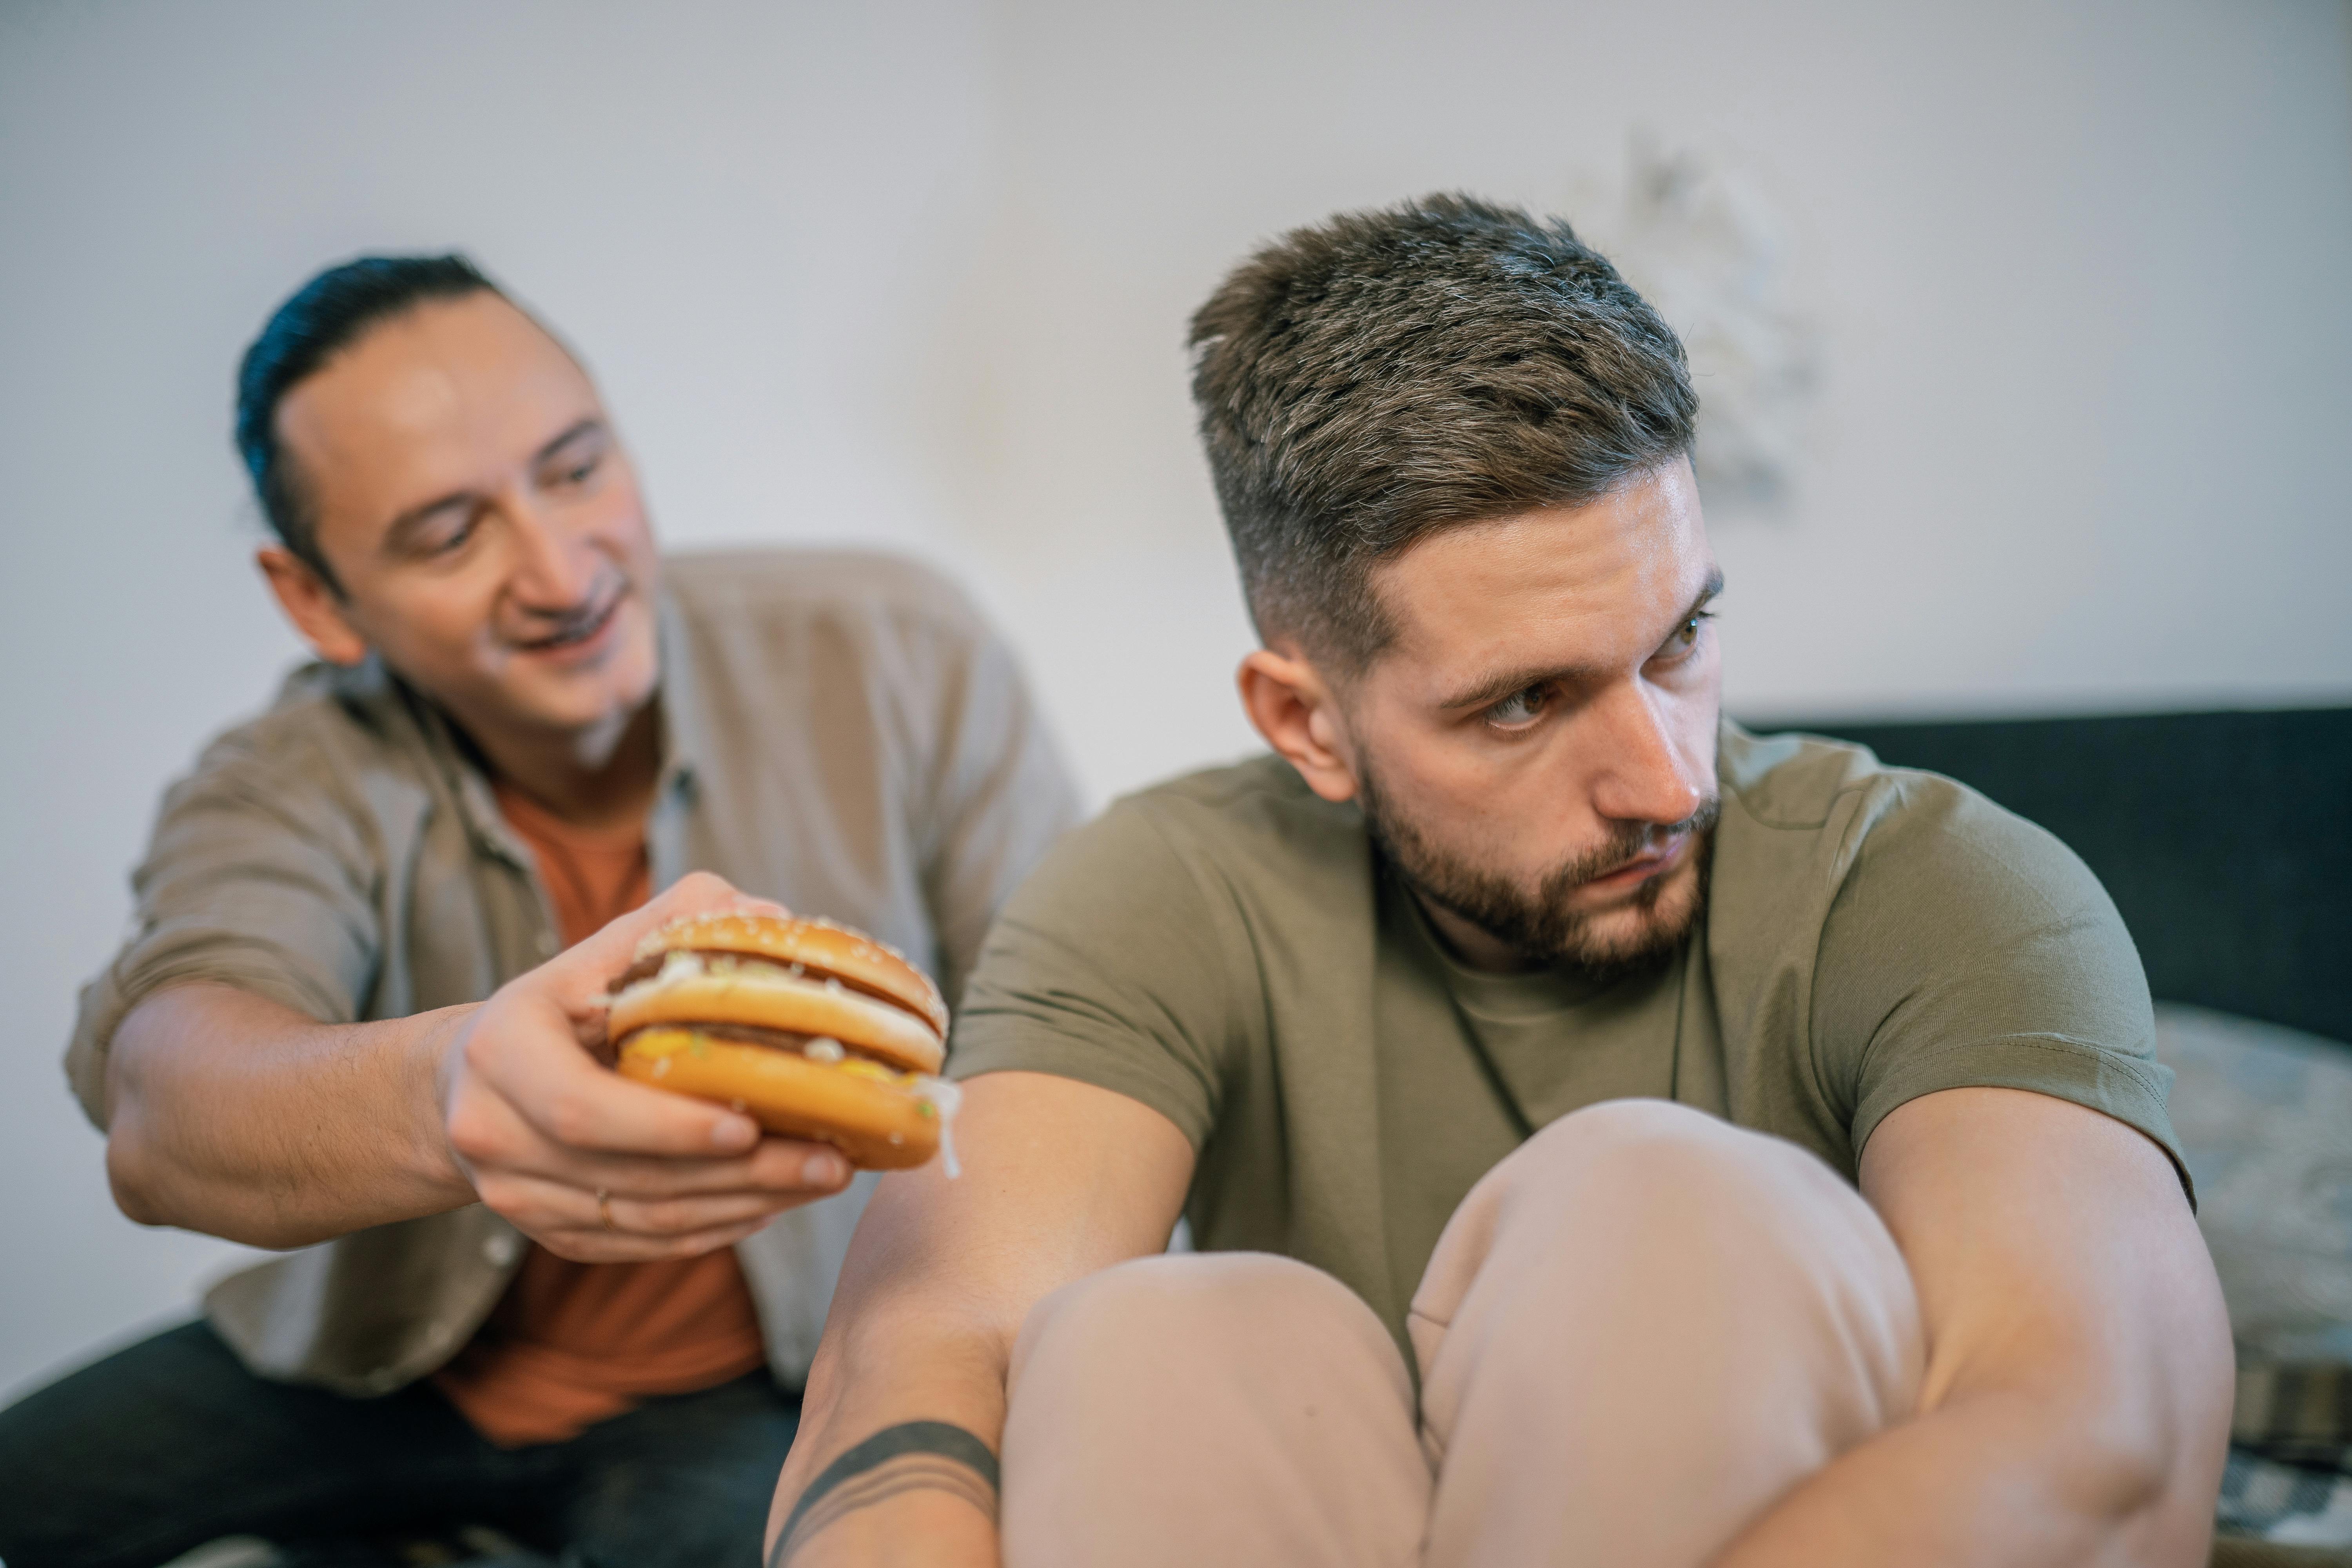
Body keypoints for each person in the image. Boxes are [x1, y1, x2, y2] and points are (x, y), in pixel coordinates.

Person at [762, 195, 2235, 1568]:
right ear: (1307, 724)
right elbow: (919, 1362)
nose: (1668, 780)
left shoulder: (1937, 886)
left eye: (1681, 642)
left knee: (1661, 1200)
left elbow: (2100, 1443)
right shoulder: (1164, 892)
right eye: (1525, 703)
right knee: (1154, 1337)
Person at [0, 255, 1078, 1567]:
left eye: (576, 472)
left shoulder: (900, 652)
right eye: (450, 535)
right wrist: (450, 1086)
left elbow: (1061, 1046)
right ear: (317, 601)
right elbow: (164, 1108)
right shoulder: (283, 779)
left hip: (756, 1398)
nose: (564, 576)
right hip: (368, 1372)